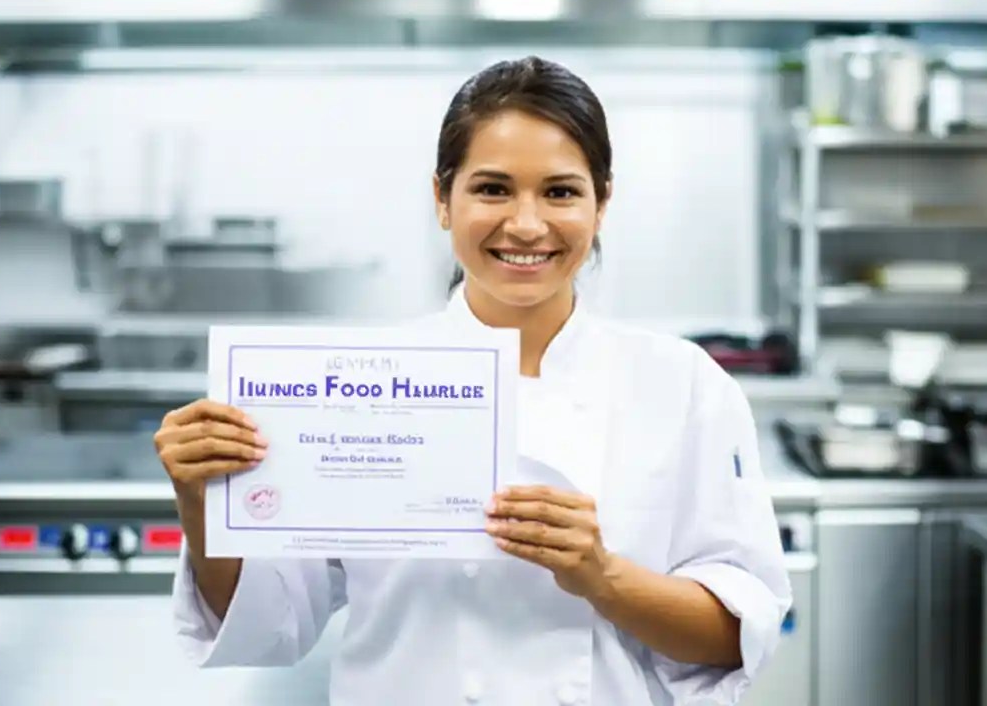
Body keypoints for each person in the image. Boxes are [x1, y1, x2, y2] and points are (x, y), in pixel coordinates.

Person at [156, 55, 791, 705]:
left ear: (603, 202)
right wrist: (202, 504)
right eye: (492, 188)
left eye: (560, 191)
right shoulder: (357, 389)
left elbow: (732, 639)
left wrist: (602, 576)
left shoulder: (682, 386)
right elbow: (272, 625)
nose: (525, 224)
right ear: (442, 198)